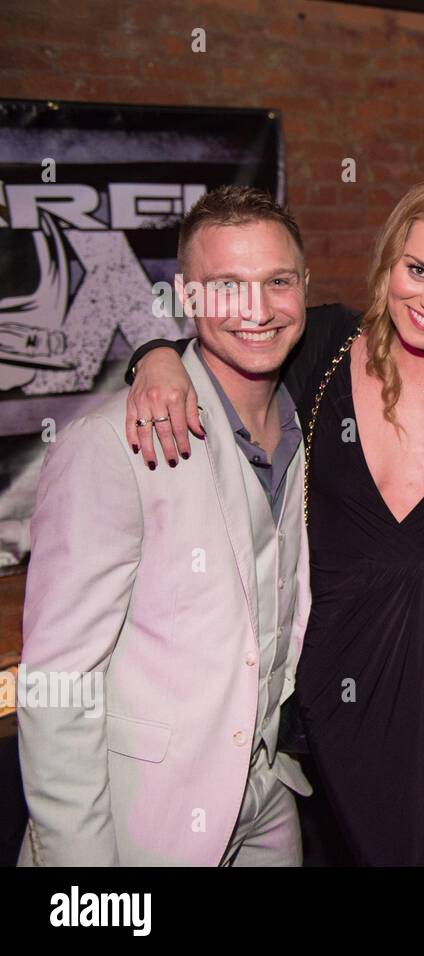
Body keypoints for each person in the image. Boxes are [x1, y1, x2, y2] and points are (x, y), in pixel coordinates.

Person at [122, 177, 424, 865]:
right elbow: (221, 338)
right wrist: (154, 357)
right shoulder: (325, 345)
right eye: (419, 270)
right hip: (334, 674)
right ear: (388, 259)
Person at [19, 186, 312, 865]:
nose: (257, 310)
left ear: (304, 286)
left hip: (265, 800)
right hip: (142, 821)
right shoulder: (107, 443)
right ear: (186, 297)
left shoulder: (311, 413)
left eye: (277, 282)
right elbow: (58, 686)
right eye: (226, 286)